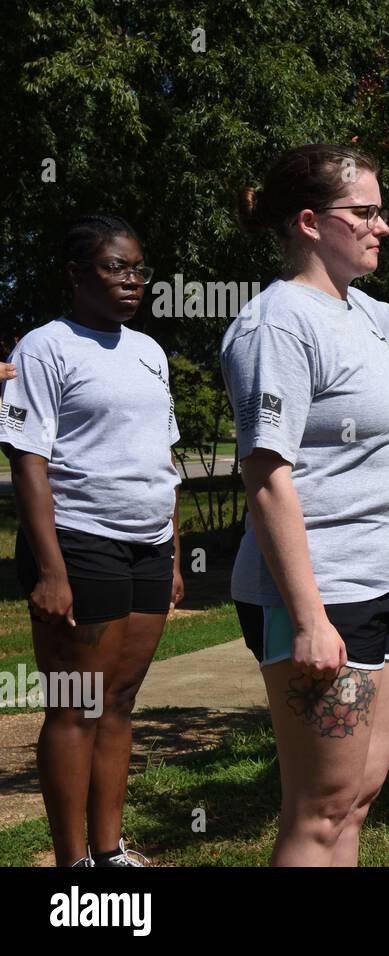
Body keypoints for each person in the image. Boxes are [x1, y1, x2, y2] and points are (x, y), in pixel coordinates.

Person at [223, 144, 389, 866]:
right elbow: (267, 474)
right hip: (319, 597)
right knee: (319, 809)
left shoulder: (360, 314)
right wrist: (308, 618)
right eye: (364, 212)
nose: (383, 226)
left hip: (383, 588)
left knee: (357, 799)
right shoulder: (277, 325)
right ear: (310, 223)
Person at [1, 214, 183, 867]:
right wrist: (50, 570)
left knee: (120, 702)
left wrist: (172, 544)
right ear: (78, 274)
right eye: (116, 267)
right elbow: (27, 458)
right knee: (75, 706)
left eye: (138, 268)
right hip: (79, 543)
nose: (132, 279)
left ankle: (110, 853)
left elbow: (165, 454)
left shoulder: (148, 350)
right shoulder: (42, 348)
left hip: (147, 546)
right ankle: (72, 864)